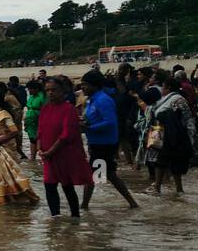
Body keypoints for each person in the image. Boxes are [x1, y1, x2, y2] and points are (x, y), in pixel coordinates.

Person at [79, 70, 138, 209]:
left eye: (85, 85)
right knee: (109, 174)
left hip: (104, 144)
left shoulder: (103, 100)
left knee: (93, 175)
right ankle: (132, 203)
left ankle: (84, 206)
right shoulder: (92, 99)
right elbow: (95, 118)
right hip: (97, 142)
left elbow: (110, 122)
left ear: (95, 85)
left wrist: (89, 127)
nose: (83, 88)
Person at [37, 75, 93, 218]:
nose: (50, 93)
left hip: (64, 155)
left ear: (62, 90)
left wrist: (50, 151)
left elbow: (66, 135)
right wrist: (39, 148)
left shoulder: (69, 109)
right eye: (47, 90)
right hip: (48, 156)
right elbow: (40, 131)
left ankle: (75, 217)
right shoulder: (45, 108)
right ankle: (55, 218)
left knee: (67, 186)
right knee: (49, 185)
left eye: (53, 90)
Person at [143, 74, 198, 195]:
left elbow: (187, 118)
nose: (161, 89)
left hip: (173, 135)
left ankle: (175, 189)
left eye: (163, 87)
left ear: (167, 87)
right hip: (160, 133)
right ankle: (164, 188)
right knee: (160, 161)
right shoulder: (164, 100)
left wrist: (190, 136)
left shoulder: (178, 99)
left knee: (170, 161)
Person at [0, 87, 39, 205]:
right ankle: (8, 200)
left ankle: (23, 197)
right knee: (2, 177)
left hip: (4, 150)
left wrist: (0, 140)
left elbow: (14, 131)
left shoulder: (4, 115)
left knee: (11, 175)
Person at [23, 79, 46, 164]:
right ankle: (32, 158)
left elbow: (45, 109)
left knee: (40, 138)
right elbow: (28, 108)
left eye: (31, 89)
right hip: (30, 122)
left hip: (39, 120)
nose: (29, 91)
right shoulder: (31, 97)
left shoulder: (42, 96)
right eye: (28, 89)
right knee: (32, 139)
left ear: (36, 88)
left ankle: (43, 157)